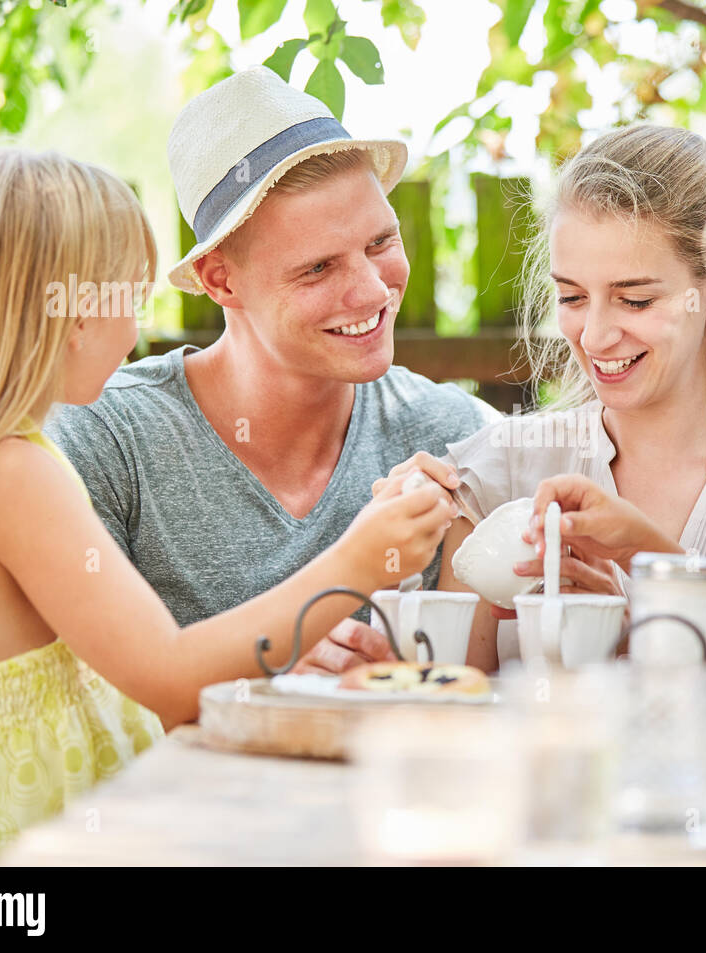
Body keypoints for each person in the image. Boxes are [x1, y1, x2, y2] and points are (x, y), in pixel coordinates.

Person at [0, 148, 454, 866]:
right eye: (129, 301)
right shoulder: (16, 475)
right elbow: (166, 671)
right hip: (25, 840)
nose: (135, 332)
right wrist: (357, 561)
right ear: (69, 315)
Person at [306, 125, 706, 675]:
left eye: (635, 300)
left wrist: (631, 622)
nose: (594, 337)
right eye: (572, 297)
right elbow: (459, 703)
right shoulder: (503, 472)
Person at [45, 67, 496, 653]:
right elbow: (83, 708)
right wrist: (260, 683)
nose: (372, 292)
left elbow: (478, 690)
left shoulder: (450, 434)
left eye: (381, 243)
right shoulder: (105, 442)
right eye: (318, 267)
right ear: (220, 280)